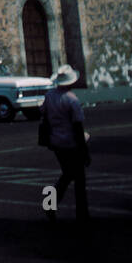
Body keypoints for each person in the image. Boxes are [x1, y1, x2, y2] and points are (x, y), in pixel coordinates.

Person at [38, 64, 90, 226]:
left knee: (68, 174)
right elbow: (77, 126)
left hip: (56, 141)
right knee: (78, 178)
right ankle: (81, 214)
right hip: (71, 143)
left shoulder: (50, 96)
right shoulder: (72, 99)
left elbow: (45, 116)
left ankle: (50, 205)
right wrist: (84, 151)